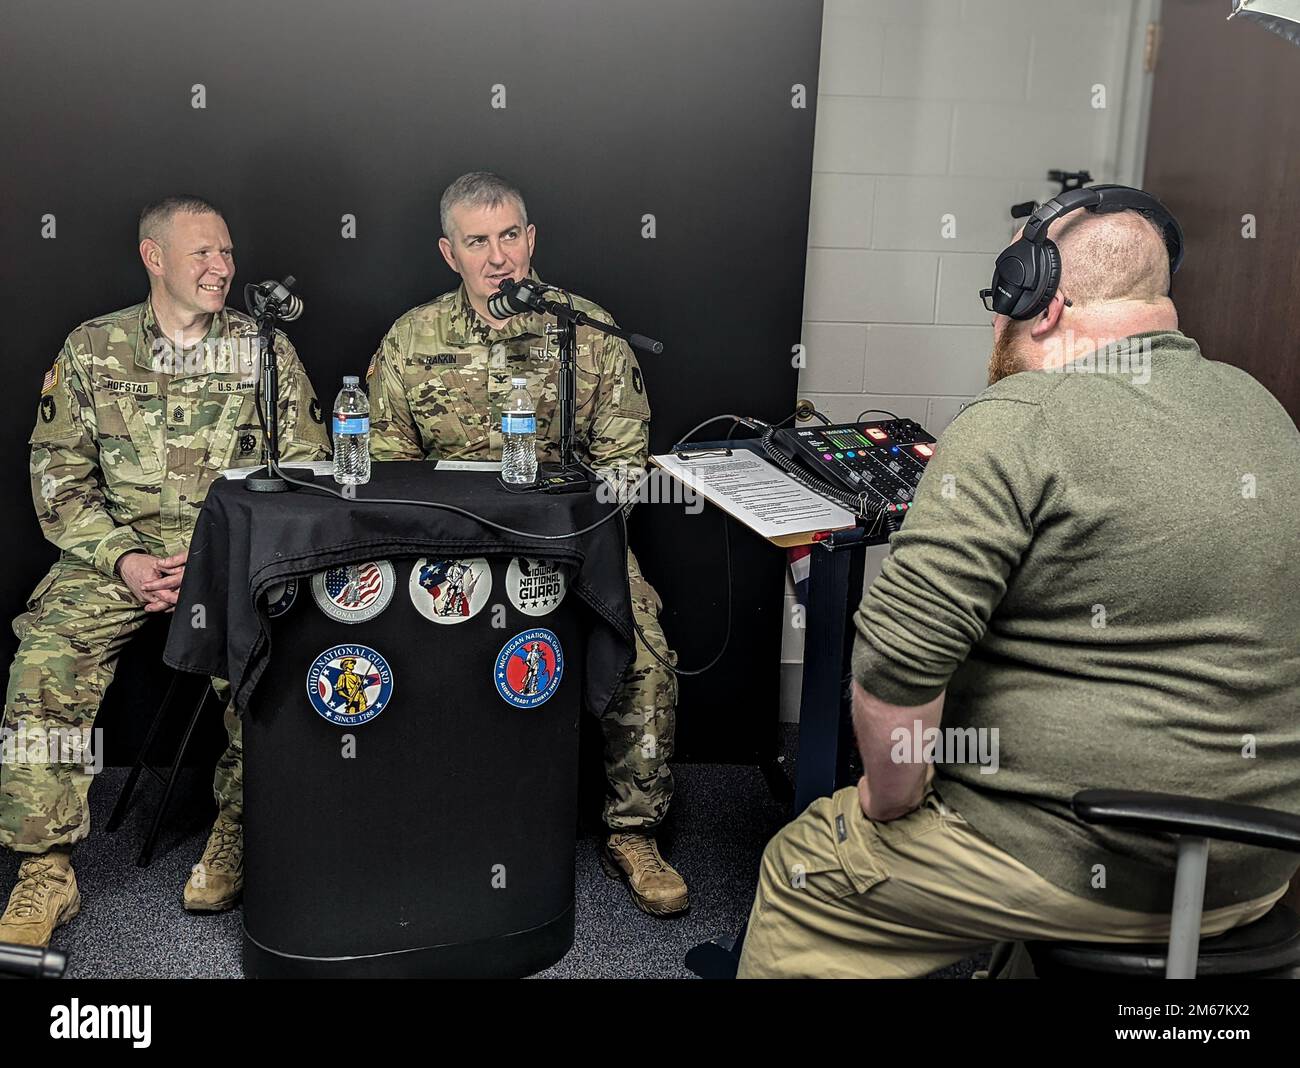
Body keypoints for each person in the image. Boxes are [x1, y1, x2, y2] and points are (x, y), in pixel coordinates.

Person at [738, 204, 1300, 977]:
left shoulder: (1020, 418)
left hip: (1073, 857)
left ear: (1045, 302)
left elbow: (898, 661)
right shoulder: (1260, 410)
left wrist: (889, 805)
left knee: (804, 870)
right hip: (1256, 865)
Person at [0, 195, 330, 946]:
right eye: (202, 254)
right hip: (120, 556)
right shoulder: (93, 349)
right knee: (44, 664)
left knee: (279, 661)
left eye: (227, 253)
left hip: (234, 557)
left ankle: (239, 832)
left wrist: (235, 555)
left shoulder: (262, 349)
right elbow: (57, 475)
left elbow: (309, 465)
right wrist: (124, 558)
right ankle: (44, 869)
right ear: (154, 258)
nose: (222, 268)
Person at [367, 172, 687, 916]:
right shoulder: (413, 338)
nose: (499, 256)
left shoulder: (587, 330)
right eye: (479, 241)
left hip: (571, 547)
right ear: (451, 253)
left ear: (531, 239)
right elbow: (385, 462)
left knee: (646, 652)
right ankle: (415, 825)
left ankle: (633, 833)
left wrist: (570, 538)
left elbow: (625, 465)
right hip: (445, 555)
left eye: (510, 235)